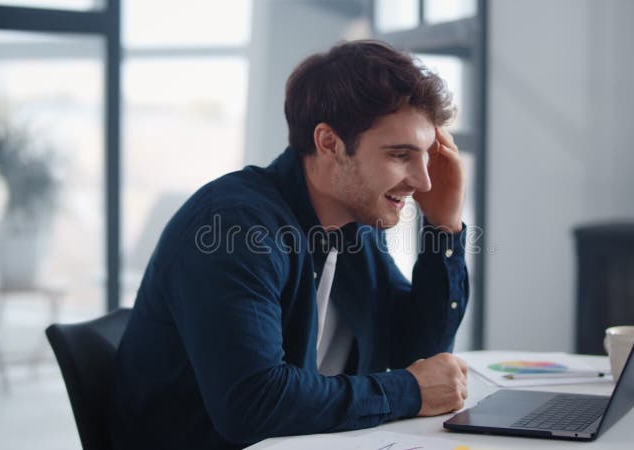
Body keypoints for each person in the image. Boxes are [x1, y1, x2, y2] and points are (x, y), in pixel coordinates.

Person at [111, 40, 470, 450]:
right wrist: (409, 391)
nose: (424, 181)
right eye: (400, 154)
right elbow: (253, 404)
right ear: (329, 143)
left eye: (426, 155)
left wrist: (444, 226)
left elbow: (419, 354)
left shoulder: (354, 224)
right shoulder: (234, 228)